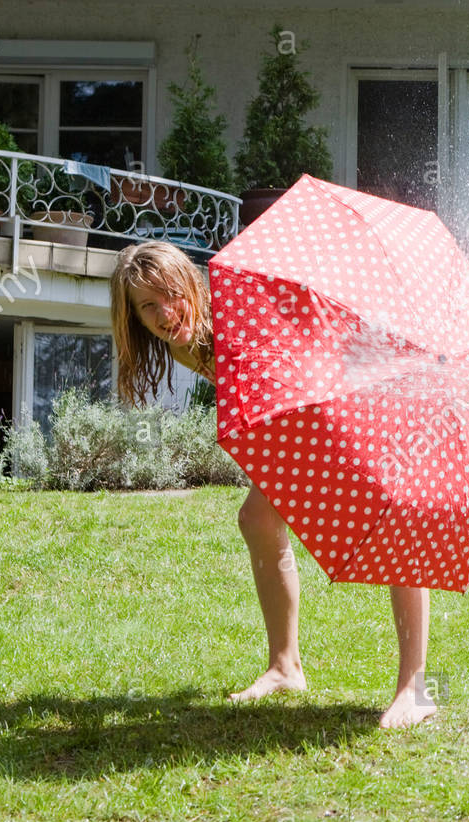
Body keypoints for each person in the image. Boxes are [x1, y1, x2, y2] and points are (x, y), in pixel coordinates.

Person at [109, 241, 437, 728]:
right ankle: (286, 668)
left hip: (352, 389)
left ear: (189, 285)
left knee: (394, 521)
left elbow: (304, 345)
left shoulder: (232, 308)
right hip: (304, 416)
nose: (164, 313)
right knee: (258, 517)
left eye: (169, 295)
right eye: (147, 307)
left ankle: (417, 689)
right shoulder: (182, 345)